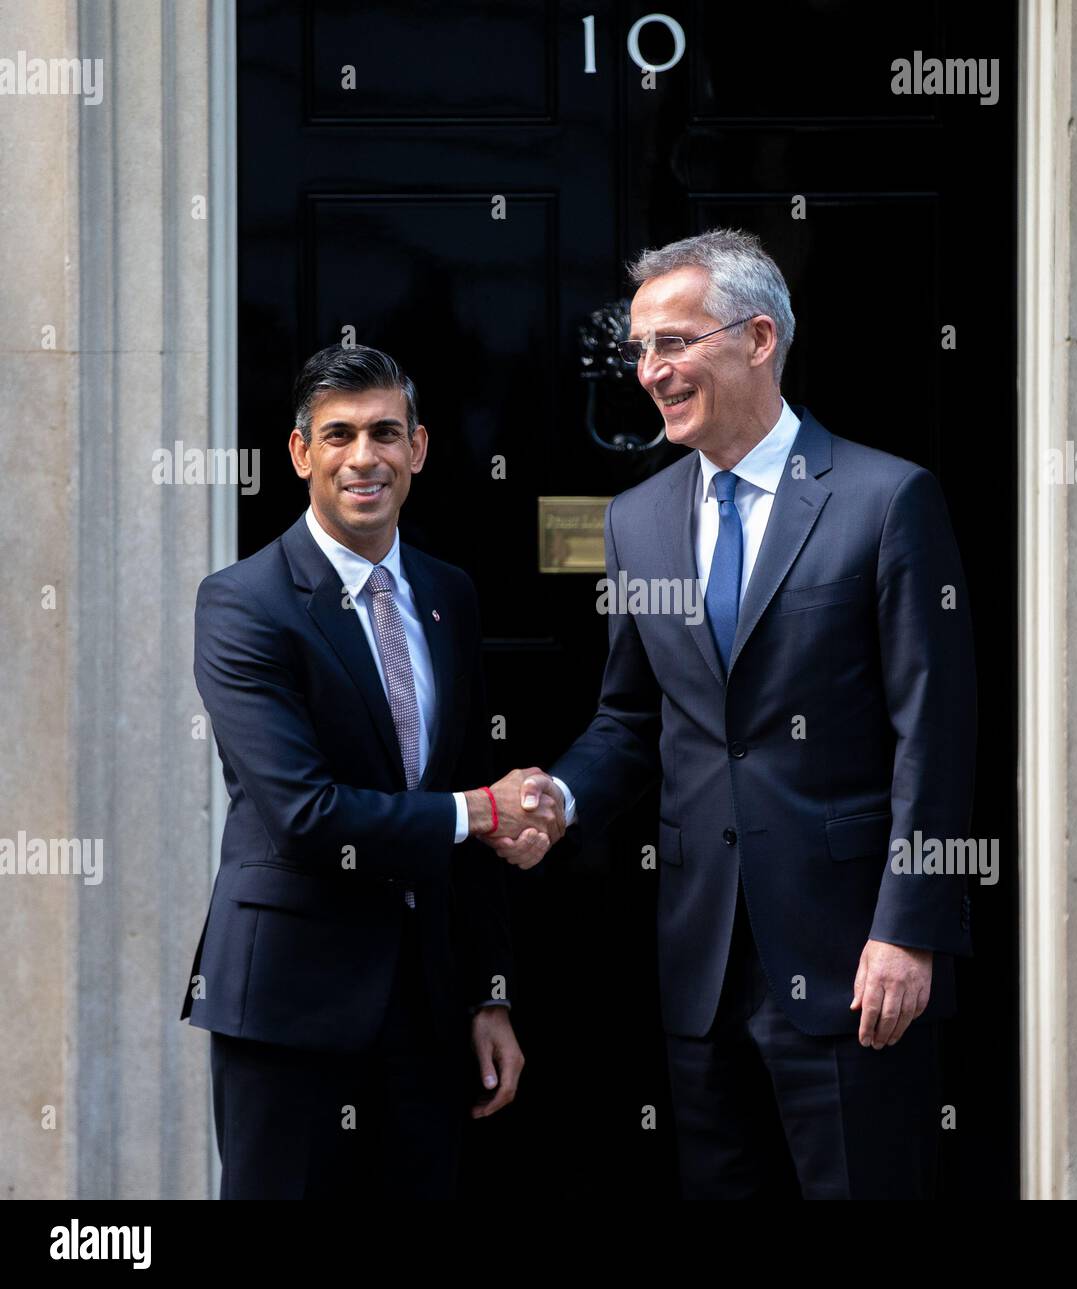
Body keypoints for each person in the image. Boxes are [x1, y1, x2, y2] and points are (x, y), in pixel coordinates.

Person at [488, 229, 977, 1199]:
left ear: (758, 338)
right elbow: (630, 718)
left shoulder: (885, 501)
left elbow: (936, 729)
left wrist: (909, 927)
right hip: (700, 967)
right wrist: (561, 794)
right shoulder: (639, 519)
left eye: (672, 343)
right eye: (639, 349)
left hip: (853, 962)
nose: (648, 371)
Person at [180, 344, 563, 1198]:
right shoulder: (243, 602)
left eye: (386, 433)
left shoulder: (449, 592)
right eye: (339, 434)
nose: (365, 457)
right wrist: (482, 810)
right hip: (290, 1004)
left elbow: (463, 796)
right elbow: (304, 814)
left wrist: (488, 995)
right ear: (300, 453)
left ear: (418, 448)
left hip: (428, 1008)